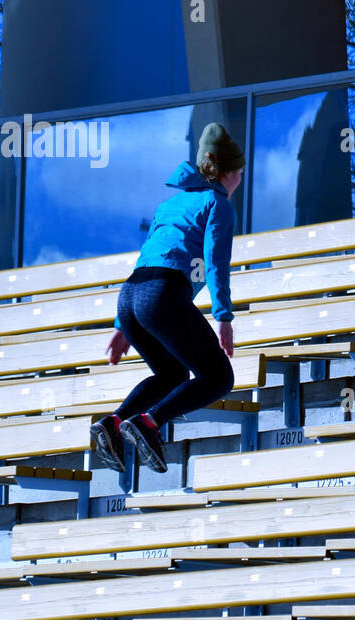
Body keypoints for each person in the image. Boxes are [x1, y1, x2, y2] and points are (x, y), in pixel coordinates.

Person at [90, 122, 243, 474]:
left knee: (173, 373)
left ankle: (114, 423)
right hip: (161, 295)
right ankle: (149, 423)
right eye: (238, 172)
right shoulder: (217, 204)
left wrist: (121, 326)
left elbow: (146, 256)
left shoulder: (170, 205)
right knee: (219, 377)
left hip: (130, 296)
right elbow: (216, 262)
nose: (238, 180)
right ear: (228, 173)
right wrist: (223, 317)